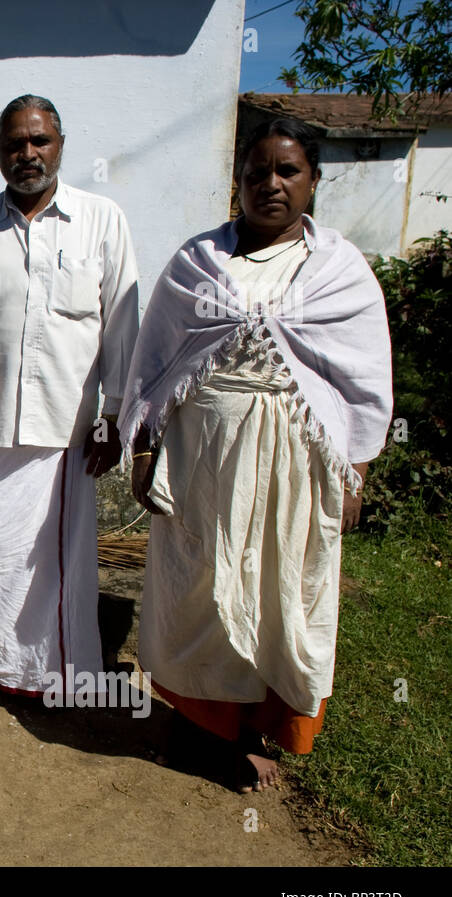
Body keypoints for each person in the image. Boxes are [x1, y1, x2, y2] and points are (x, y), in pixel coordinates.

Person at [119, 117, 392, 792]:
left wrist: (355, 470)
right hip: (204, 457)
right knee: (201, 590)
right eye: (256, 171)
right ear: (236, 182)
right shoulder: (197, 265)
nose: (271, 183)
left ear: (314, 181)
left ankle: (252, 730)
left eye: (288, 170)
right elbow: (156, 364)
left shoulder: (338, 272)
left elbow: (360, 380)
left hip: (297, 463)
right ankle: (196, 732)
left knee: (279, 589)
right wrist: (146, 447)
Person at [0, 94, 141, 702]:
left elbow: (122, 323)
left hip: (66, 426)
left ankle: (61, 672)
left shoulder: (102, 220)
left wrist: (114, 414)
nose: (28, 154)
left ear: (60, 145)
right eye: (14, 143)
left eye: (39, 141)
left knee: (57, 561)